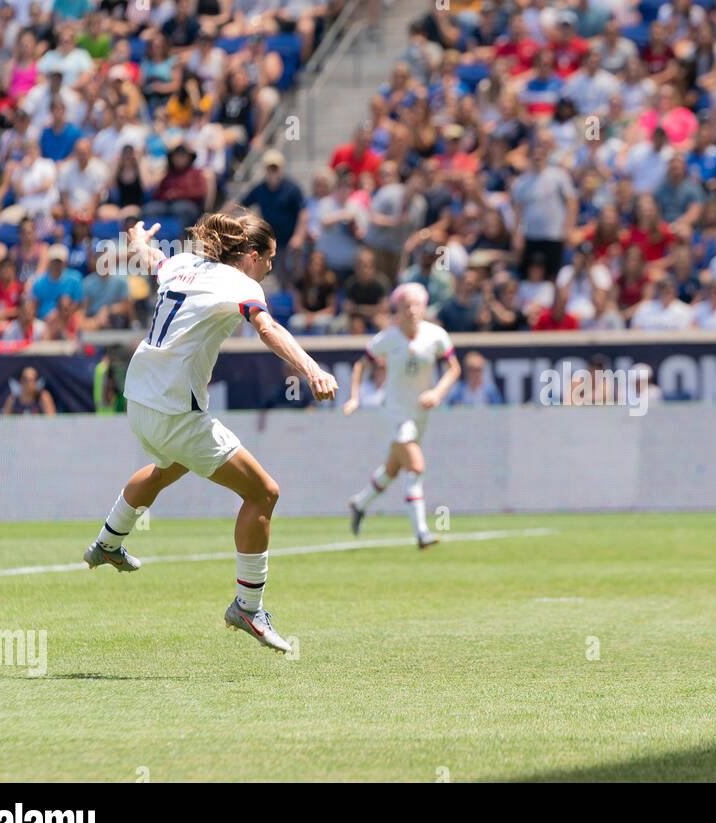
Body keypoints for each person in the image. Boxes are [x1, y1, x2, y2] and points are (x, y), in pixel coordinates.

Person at [81, 214, 339, 656]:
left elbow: (153, 259)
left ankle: (108, 543)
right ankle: (248, 607)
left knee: (169, 467)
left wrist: (137, 241)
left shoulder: (183, 264)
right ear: (252, 256)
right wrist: (312, 368)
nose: (270, 269)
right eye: (270, 259)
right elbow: (268, 329)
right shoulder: (243, 285)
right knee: (264, 493)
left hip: (139, 399)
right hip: (176, 410)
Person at [343, 282, 461, 548]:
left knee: (392, 469)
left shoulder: (436, 336)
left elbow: (454, 368)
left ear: (423, 307)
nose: (411, 311)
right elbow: (360, 365)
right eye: (406, 306)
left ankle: (359, 503)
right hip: (395, 412)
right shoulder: (388, 338)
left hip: (420, 413)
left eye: (416, 305)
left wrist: (437, 393)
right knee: (416, 467)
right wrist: (354, 397)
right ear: (398, 309)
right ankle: (421, 533)